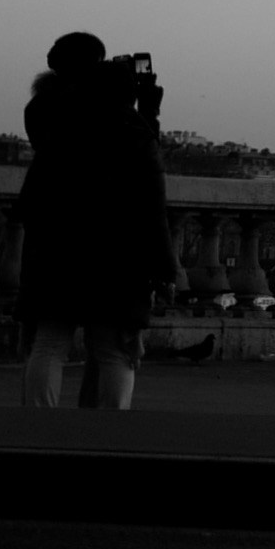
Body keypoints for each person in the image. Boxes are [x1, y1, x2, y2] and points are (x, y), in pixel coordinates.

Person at [10, 30, 172, 408]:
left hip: (56, 240)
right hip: (116, 246)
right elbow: (151, 198)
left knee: (49, 343)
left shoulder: (46, 112)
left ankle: (37, 428)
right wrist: (146, 109)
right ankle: (108, 434)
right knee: (114, 349)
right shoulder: (128, 125)